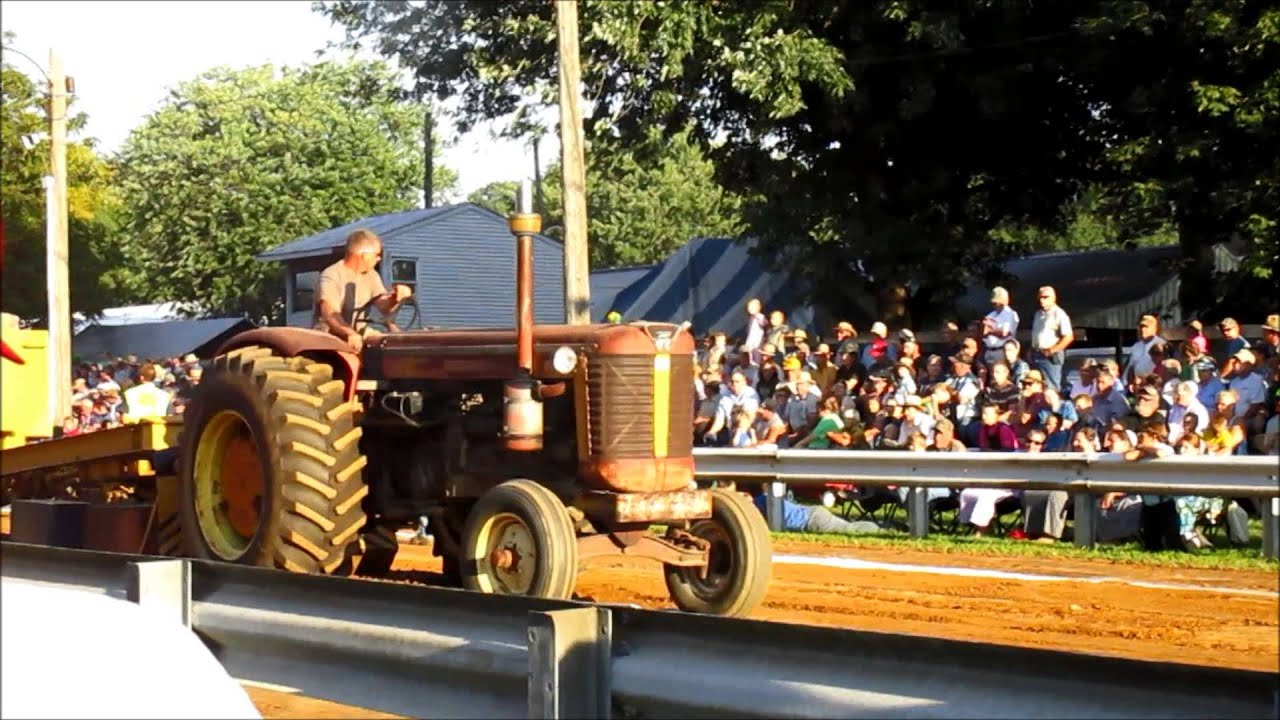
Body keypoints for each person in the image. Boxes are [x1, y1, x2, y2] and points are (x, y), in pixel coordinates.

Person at [313, 228, 414, 352]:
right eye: (377, 254)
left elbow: (384, 306)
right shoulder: (332, 275)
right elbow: (329, 313)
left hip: (359, 335)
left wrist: (396, 297)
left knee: (389, 345)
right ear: (364, 255)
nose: (379, 259)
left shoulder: (371, 275)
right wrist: (349, 333)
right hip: (330, 341)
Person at [752, 492, 888, 535]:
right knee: (849, 526)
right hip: (812, 513)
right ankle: (884, 526)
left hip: (812, 521)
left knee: (849, 529)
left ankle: (884, 530)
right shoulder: (766, 496)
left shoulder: (757, 504)